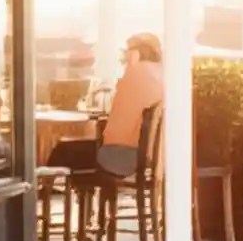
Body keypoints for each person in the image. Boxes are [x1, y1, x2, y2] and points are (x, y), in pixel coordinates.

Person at [46, 33, 164, 177]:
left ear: (135, 53)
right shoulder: (161, 75)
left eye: (127, 51)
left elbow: (114, 123)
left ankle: (42, 190)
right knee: (76, 151)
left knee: (63, 150)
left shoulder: (133, 75)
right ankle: (83, 194)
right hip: (150, 155)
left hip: (122, 156)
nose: (124, 57)